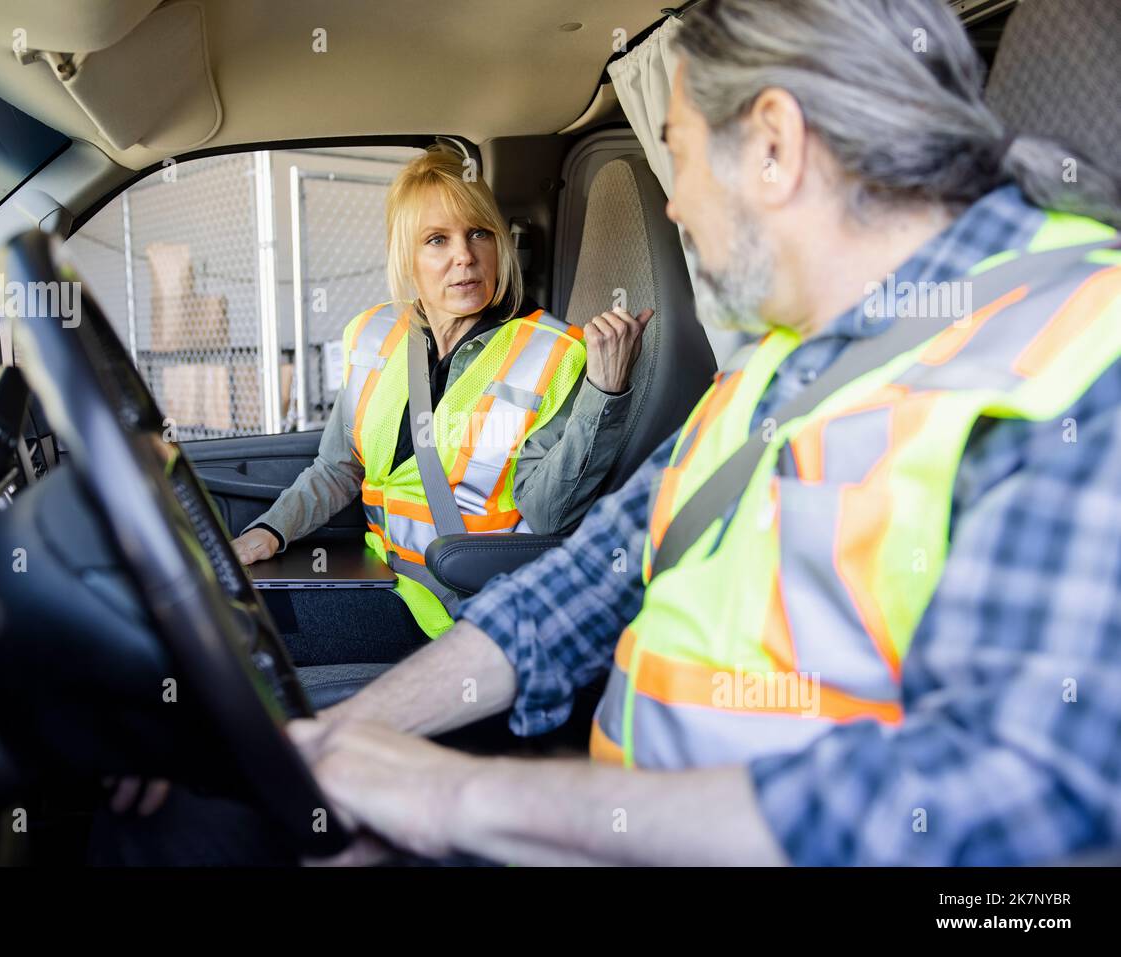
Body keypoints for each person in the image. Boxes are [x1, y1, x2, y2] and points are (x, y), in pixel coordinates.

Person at [288, 0, 1121, 866]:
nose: (676, 205)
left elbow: (1011, 800)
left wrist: (459, 797)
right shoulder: (781, 358)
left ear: (773, 145)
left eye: (677, 154)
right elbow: (583, 581)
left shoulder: (1083, 360)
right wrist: (333, 743)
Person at [229, 146, 652, 658]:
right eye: (437, 240)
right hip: (384, 576)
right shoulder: (374, 334)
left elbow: (548, 515)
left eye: (479, 233)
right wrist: (272, 530)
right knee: (226, 612)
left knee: (243, 640)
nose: (465, 256)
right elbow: (339, 467)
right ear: (405, 256)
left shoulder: (555, 353)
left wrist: (604, 395)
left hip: (466, 608)